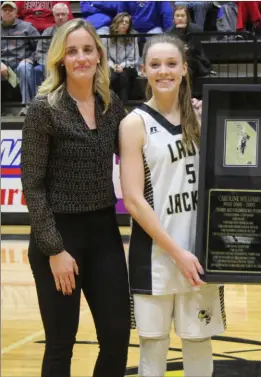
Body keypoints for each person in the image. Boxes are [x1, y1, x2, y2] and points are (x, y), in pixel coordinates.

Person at [20, 18, 131, 377]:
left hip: (104, 232)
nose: (81, 57)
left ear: (99, 55)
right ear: (60, 59)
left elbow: (139, 156)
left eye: (87, 50)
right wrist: (54, 250)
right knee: (60, 345)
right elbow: (32, 186)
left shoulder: (111, 105)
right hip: (58, 236)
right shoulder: (44, 109)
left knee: (117, 336)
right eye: (72, 51)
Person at [118, 34, 226, 377]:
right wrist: (176, 253)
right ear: (143, 70)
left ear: (183, 69)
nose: (163, 71)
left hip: (200, 251)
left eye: (171, 64)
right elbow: (133, 200)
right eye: (155, 65)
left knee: (198, 344)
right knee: (153, 347)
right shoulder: (134, 123)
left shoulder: (202, 116)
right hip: (155, 256)